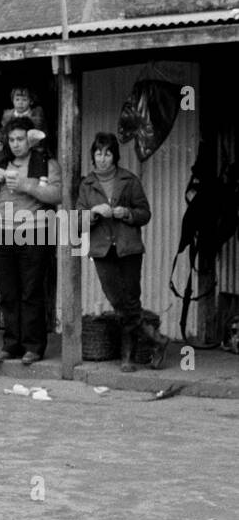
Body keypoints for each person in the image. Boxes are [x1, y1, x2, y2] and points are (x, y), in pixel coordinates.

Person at [77, 132, 169, 371]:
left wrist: (126, 213)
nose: (103, 158)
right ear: (93, 156)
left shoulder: (129, 180)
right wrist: (93, 213)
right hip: (102, 250)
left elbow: (145, 214)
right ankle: (156, 339)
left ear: (114, 156)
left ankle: (127, 357)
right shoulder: (87, 185)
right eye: (98, 153)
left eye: (108, 153)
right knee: (118, 301)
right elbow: (77, 222)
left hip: (129, 248)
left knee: (130, 301)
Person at [0, 117, 61, 365]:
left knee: (31, 292)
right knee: (8, 293)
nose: (15, 144)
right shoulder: (1, 163)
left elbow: (58, 194)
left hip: (34, 233)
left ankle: (33, 347)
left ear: (30, 140)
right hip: (2, 233)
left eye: (20, 139)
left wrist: (26, 185)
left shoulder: (46, 163)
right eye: (11, 139)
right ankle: (11, 345)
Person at [0, 86, 48, 157]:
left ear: (31, 101)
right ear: (13, 100)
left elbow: (42, 137)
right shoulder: (8, 117)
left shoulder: (36, 117)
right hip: (12, 150)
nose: (20, 103)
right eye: (17, 99)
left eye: (24, 100)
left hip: (31, 150)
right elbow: (2, 134)